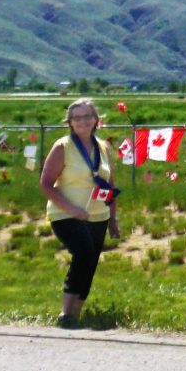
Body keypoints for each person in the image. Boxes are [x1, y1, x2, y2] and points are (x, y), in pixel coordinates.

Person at [39, 98, 120, 328]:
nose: (82, 121)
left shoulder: (103, 148)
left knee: (91, 260)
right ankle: (66, 311)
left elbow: (110, 186)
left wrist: (113, 219)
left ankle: (77, 312)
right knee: (83, 252)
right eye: (77, 117)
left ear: (96, 120)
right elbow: (45, 183)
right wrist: (71, 208)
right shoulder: (63, 147)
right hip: (66, 213)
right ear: (70, 122)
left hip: (98, 214)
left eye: (87, 116)